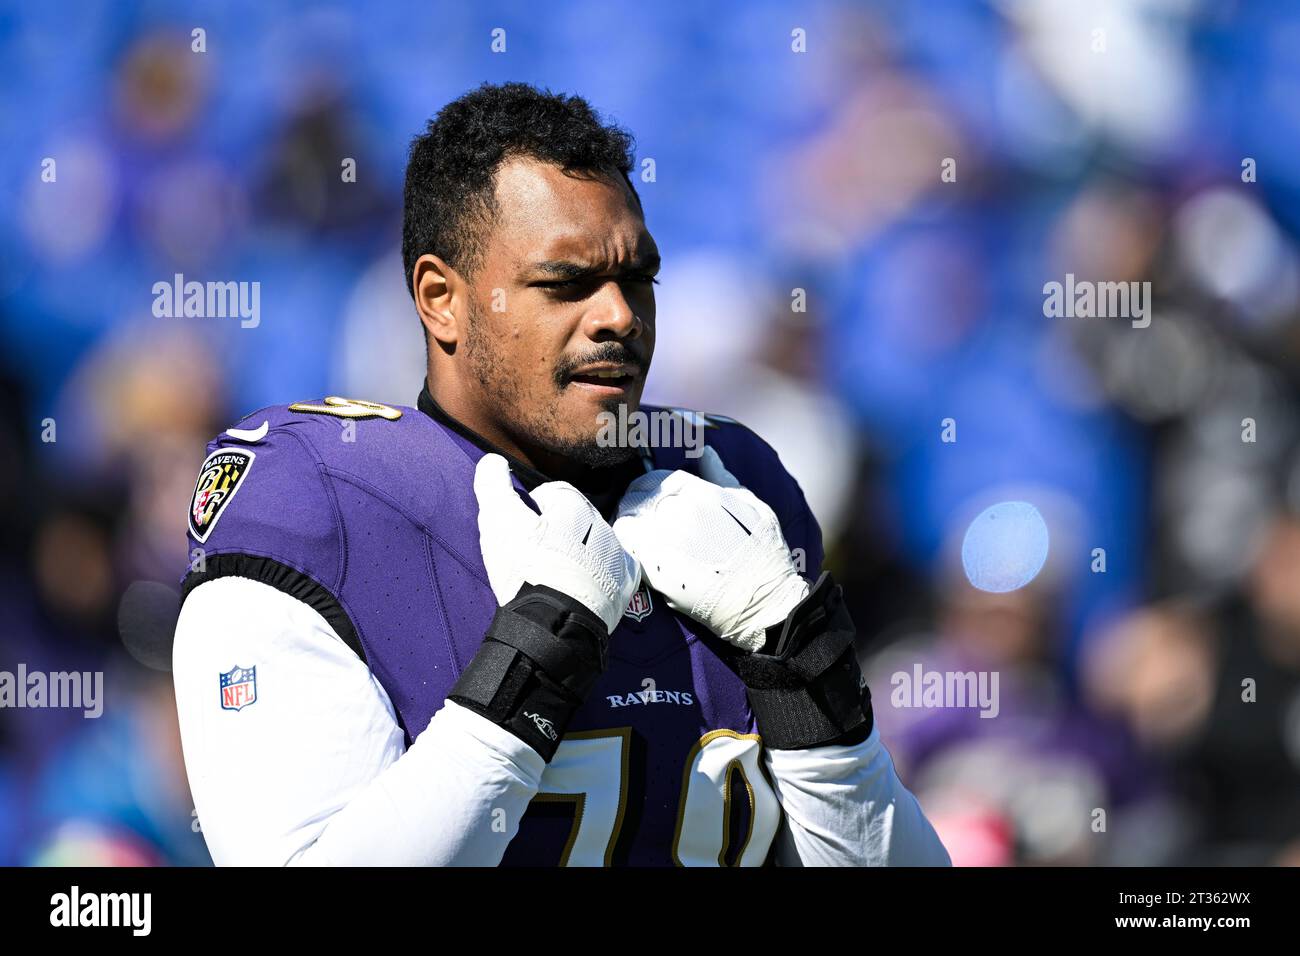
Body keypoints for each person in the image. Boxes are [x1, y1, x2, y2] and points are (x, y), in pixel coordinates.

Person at [171, 82, 950, 867]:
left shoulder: (732, 483)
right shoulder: (322, 505)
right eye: (567, 282)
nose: (619, 314)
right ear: (443, 300)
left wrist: (799, 658)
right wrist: (536, 654)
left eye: (636, 277)